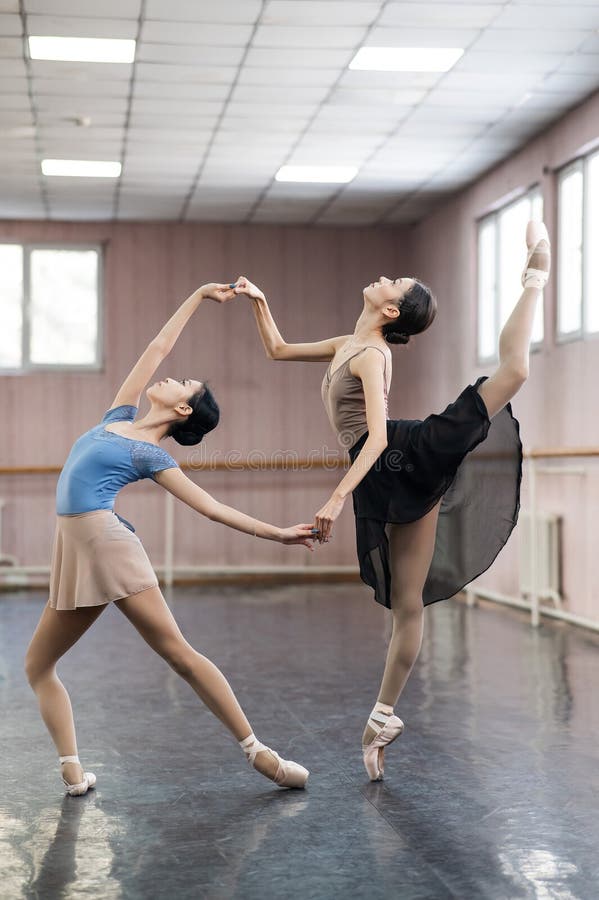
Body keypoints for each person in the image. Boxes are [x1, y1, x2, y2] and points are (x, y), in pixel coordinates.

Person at [232, 221, 550, 781]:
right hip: (389, 470)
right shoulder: (347, 344)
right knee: (407, 605)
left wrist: (335, 499)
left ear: (391, 311)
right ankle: (382, 720)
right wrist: (259, 301)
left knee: (513, 373)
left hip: (407, 453)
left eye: (394, 281)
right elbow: (277, 349)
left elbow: (376, 438)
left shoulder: (373, 355)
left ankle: (536, 276)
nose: (384, 277)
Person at [25, 282, 314, 796]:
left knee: (178, 654)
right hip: (73, 551)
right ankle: (72, 771)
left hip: (109, 547)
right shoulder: (118, 417)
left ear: (184, 410)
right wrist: (198, 297)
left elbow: (211, 507)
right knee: (38, 666)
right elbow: (158, 347)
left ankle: (259, 753)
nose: (171, 377)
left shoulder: (152, 455)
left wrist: (279, 534)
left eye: (183, 383)